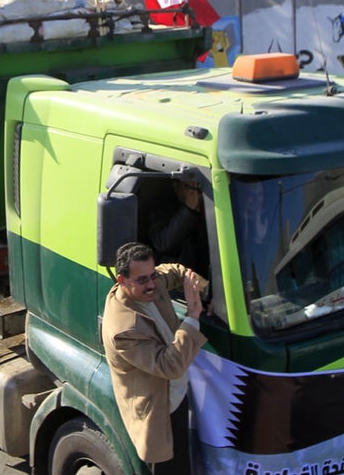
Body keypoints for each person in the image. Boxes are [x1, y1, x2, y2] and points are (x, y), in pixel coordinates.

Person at [102, 242, 207, 474]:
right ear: (121, 280)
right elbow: (170, 366)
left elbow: (176, 271)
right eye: (143, 280)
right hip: (162, 412)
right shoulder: (123, 330)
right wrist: (193, 315)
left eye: (152, 276)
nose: (152, 284)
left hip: (177, 395)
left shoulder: (150, 282)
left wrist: (202, 287)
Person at [150, 179, 210, 278]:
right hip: (179, 280)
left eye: (198, 187)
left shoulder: (212, 206)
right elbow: (163, 243)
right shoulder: (162, 207)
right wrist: (189, 209)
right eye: (189, 187)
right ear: (176, 186)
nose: (195, 193)